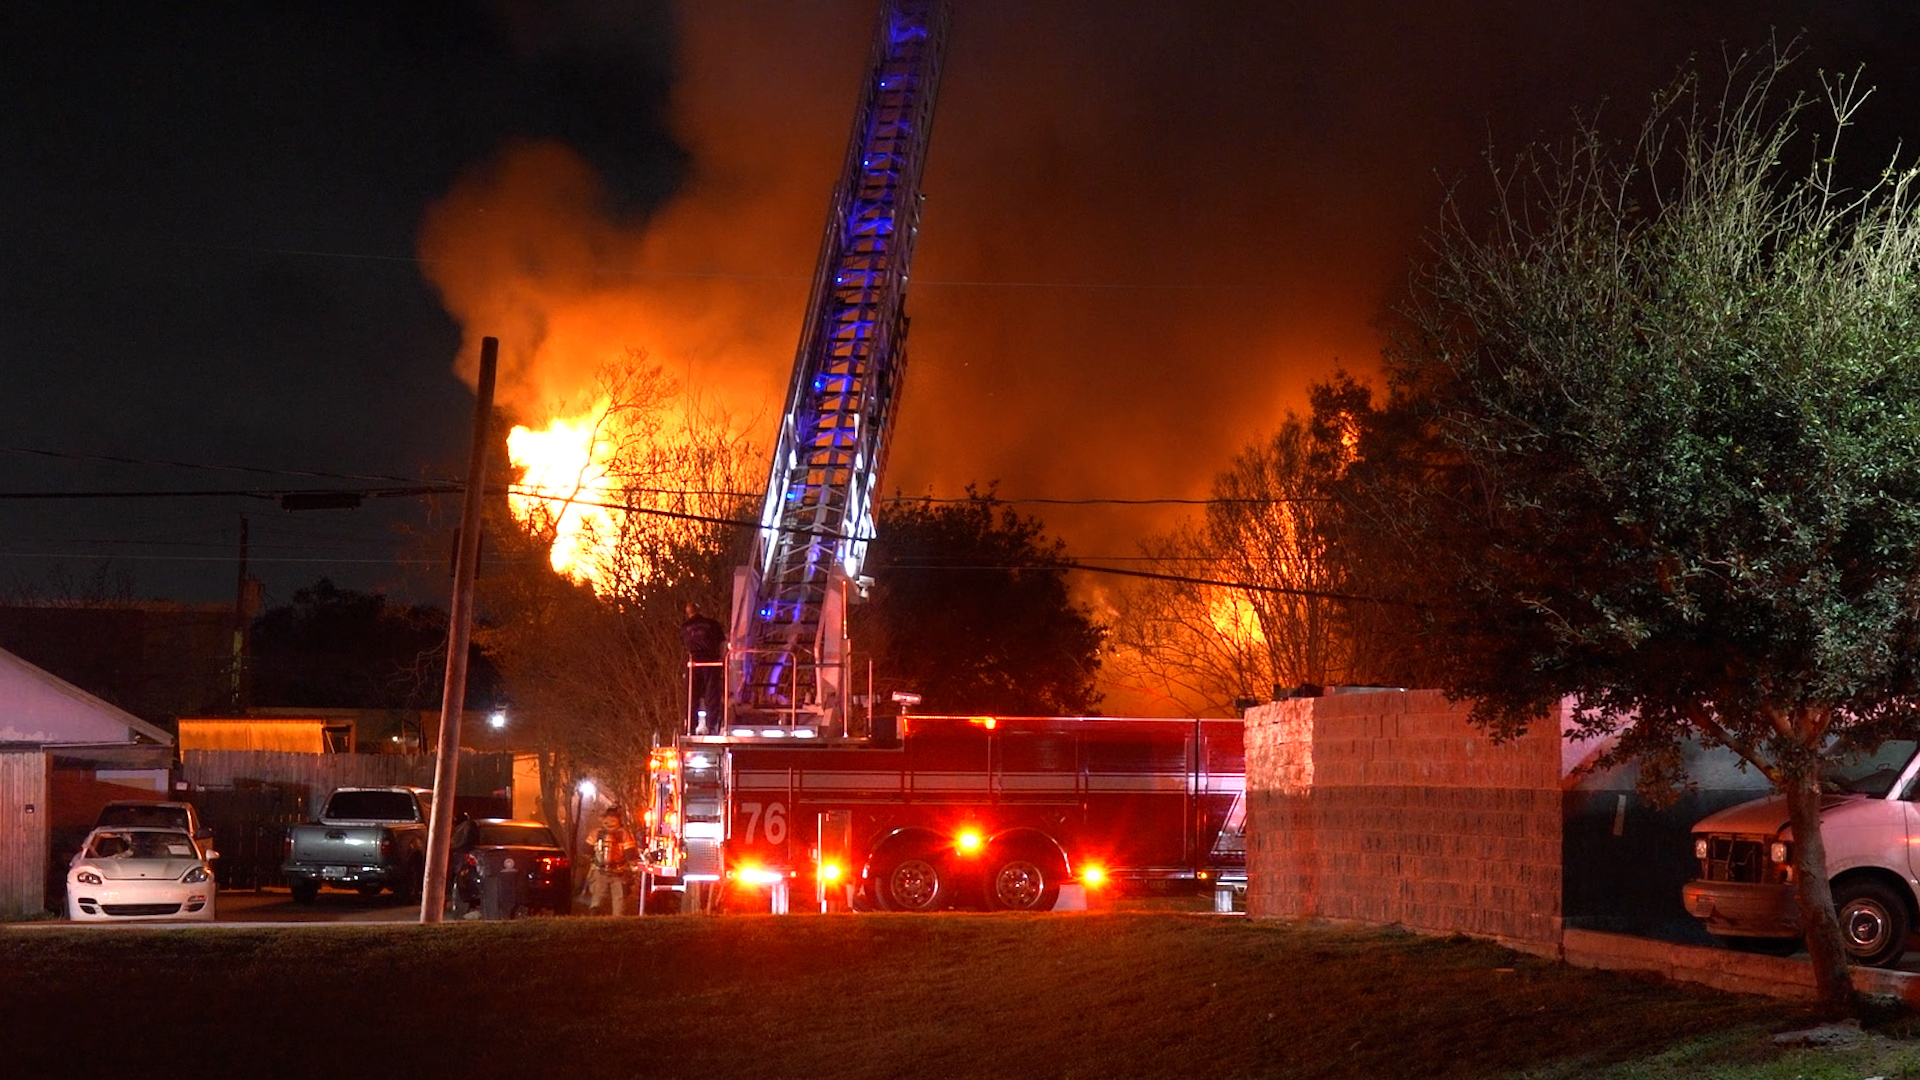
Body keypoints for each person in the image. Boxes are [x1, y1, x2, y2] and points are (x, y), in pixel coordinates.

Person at [680, 601, 727, 735]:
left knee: (691, 697)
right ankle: (712, 726)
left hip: (693, 663)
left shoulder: (685, 628)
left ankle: (690, 726)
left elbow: (685, 644)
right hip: (711, 662)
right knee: (712, 695)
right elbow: (723, 643)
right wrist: (722, 660)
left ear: (688, 613)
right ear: (699, 610)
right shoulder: (712, 624)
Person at [586, 807, 638, 916]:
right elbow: (630, 854)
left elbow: (585, 851)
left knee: (597, 898)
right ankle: (616, 923)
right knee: (618, 900)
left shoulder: (596, 833)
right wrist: (633, 869)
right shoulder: (624, 834)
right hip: (619, 872)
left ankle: (593, 921)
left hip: (599, 871)